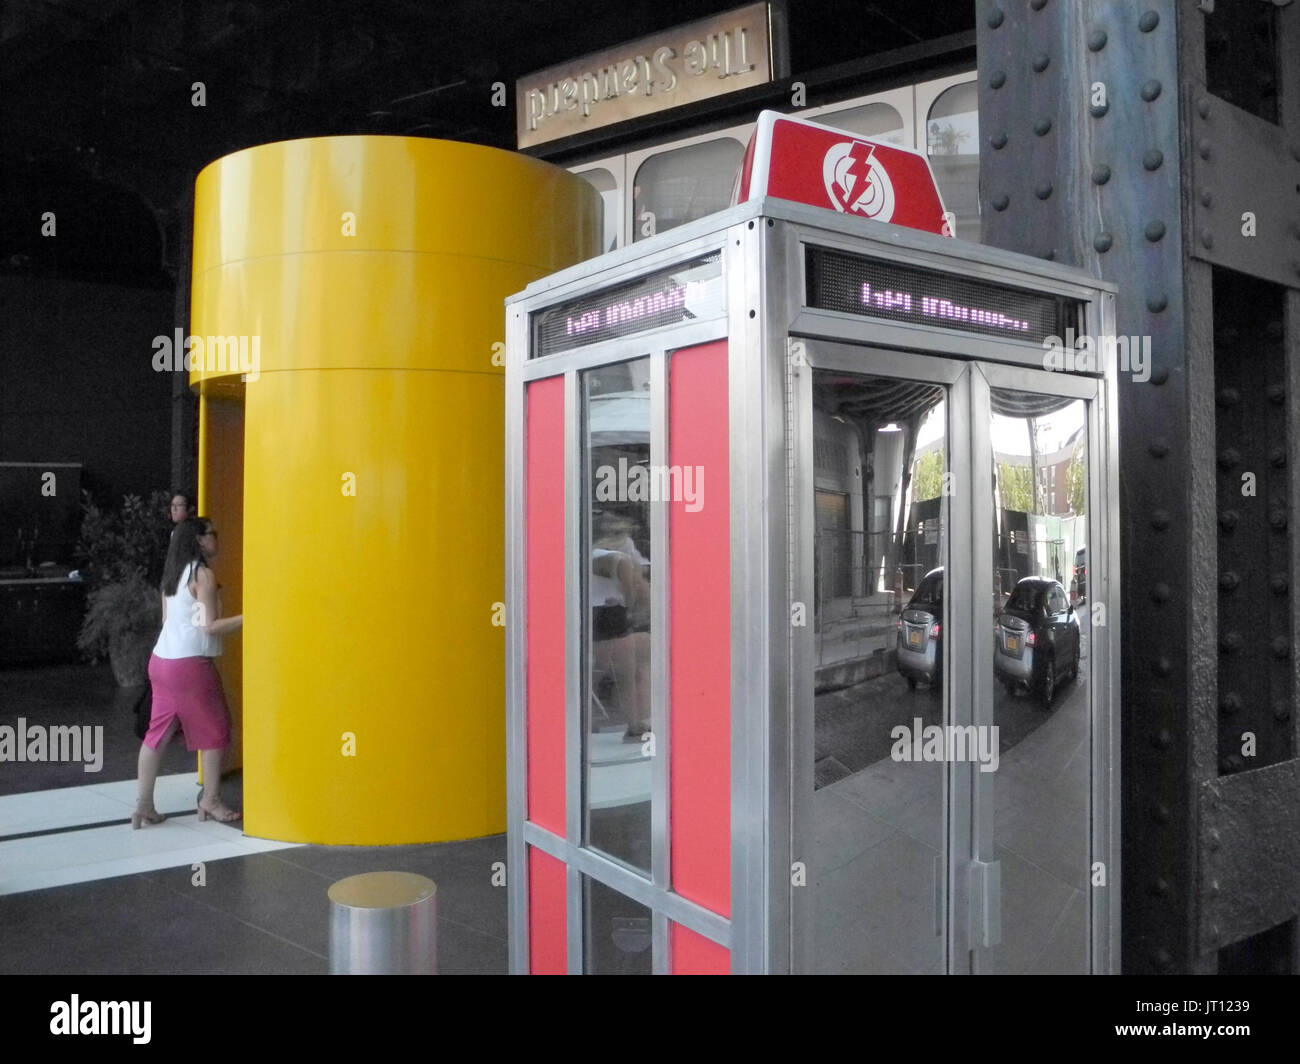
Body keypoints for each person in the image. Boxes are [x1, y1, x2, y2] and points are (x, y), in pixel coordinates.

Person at [133, 516, 243, 828]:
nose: (216, 538)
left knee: (158, 734)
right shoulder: (203, 575)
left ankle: (143, 805)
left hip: (161, 661)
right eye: (212, 533)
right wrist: (251, 617)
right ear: (198, 540)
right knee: (217, 732)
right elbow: (209, 626)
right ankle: (211, 799)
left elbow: (169, 619)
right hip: (190, 665)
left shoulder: (173, 575)